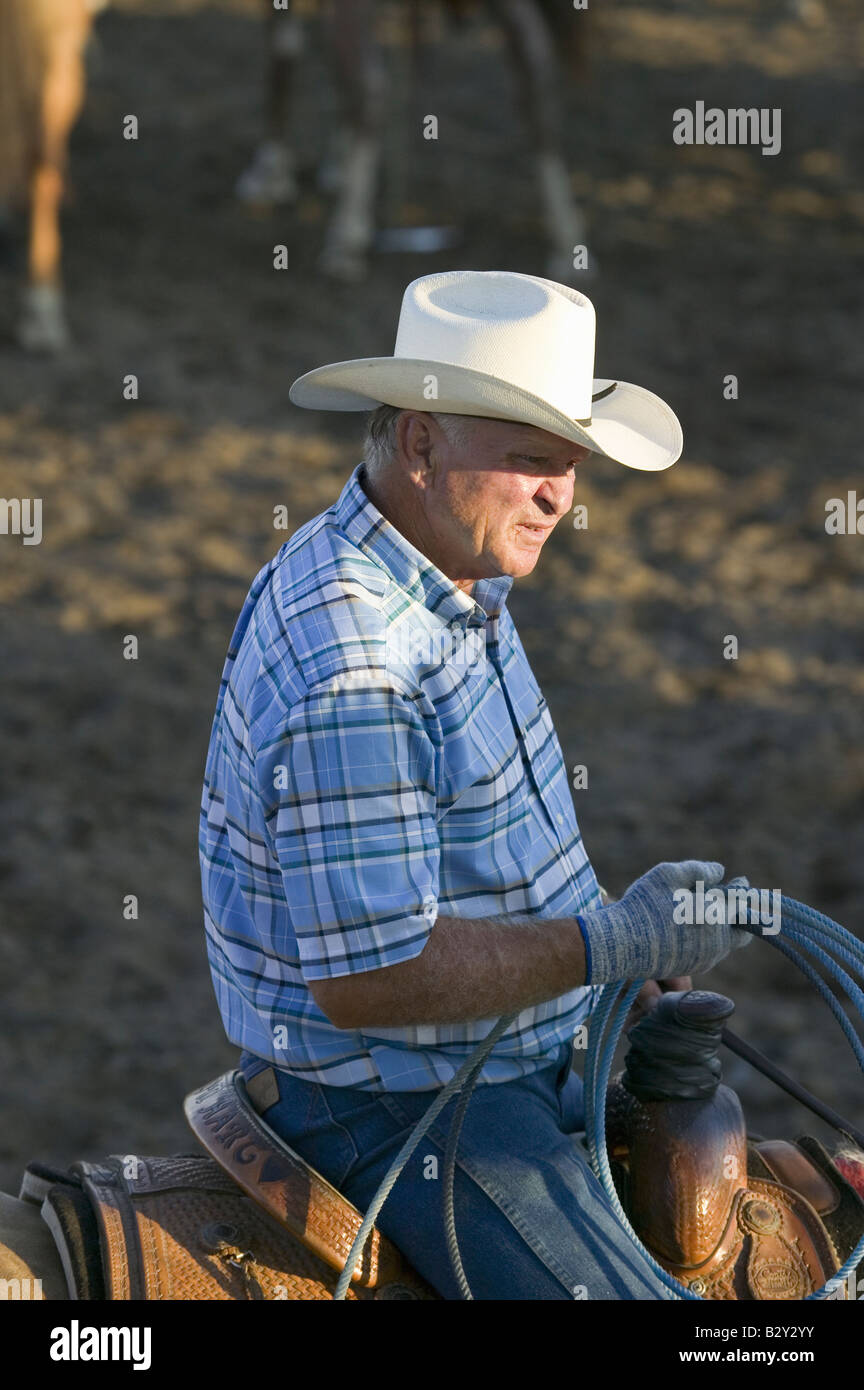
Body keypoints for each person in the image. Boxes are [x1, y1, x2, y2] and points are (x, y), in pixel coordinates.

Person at [199, 269, 750, 1299]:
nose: (561, 497)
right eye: (532, 461)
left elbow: (489, 848)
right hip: (405, 1101)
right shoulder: (356, 662)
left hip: (479, 1055)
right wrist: (614, 941)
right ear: (420, 442)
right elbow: (369, 975)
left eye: (571, 465)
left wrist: (610, 967)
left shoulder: (454, 568)